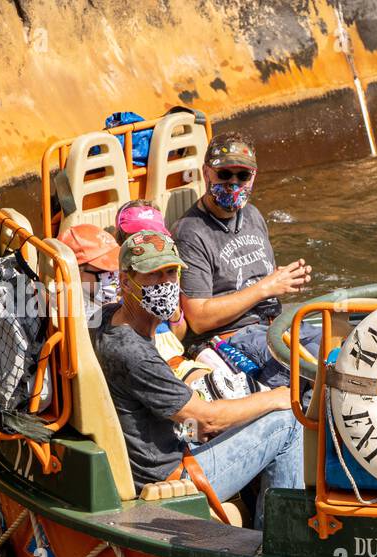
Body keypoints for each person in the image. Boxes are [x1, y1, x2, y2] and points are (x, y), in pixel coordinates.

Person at [95, 230, 303, 528]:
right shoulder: (133, 352)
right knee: (287, 422)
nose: (165, 284)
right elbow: (207, 421)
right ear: (126, 281)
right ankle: (283, 542)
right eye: (153, 275)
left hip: (170, 440)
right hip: (169, 475)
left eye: (171, 273)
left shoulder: (107, 318)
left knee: (251, 408)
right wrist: (277, 396)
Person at [173, 131, 315, 389]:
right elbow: (199, 318)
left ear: (254, 176)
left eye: (243, 176)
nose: (234, 183)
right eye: (224, 174)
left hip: (276, 325)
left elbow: (260, 280)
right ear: (206, 173)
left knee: (347, 345)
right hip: (235, 337)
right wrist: (265, 288)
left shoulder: (252, 215)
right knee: (314, 370)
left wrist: (283, 280)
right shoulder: (190, 233)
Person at [57, 224, 122, 326]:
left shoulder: (95, 299)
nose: (114, 275)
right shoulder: (84, 317)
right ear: (76, 272)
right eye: (104, 270)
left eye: (115, 269)